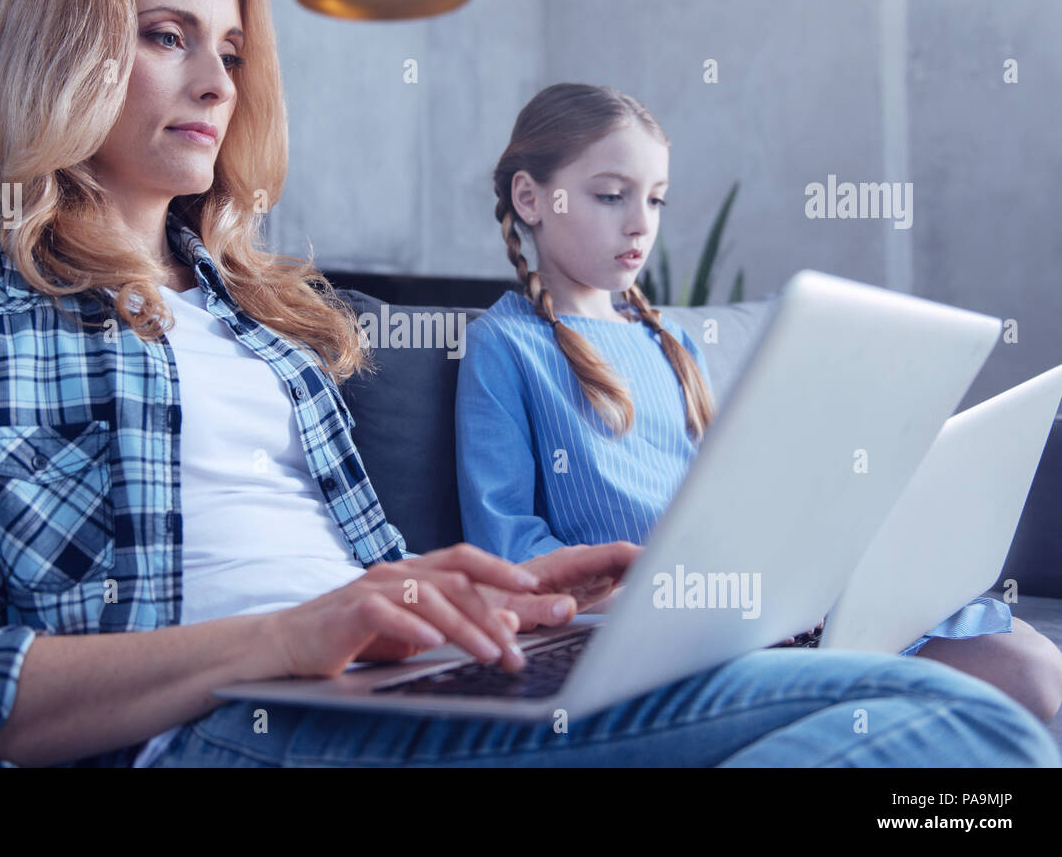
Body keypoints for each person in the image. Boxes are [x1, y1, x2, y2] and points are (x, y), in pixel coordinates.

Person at [0, 0, 1059, 768]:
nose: (216, 82)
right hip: (209, 732)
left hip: (377, 702)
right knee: (954, 732)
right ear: (60, 52)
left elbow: (363, 586)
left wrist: (510, 607)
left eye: (233, 52)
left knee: (945, 708)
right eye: (166, 36)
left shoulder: (266, 326)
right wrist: (290, 638)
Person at [453, 83, 1062, 723]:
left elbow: (733, 500)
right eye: (611, 195)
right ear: (530, 198)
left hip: (767, 604)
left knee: (1033, 672)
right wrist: (645, 598)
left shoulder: (672, 342)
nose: (640, 223)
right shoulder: (505, 345)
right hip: (674, 631)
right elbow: (507, 553)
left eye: (656, 200)